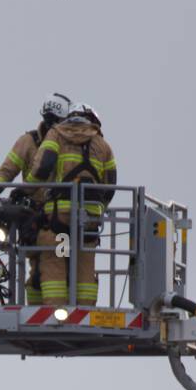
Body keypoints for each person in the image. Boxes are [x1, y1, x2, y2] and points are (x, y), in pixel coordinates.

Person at [27, 103, 116, 307]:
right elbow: (110, 186)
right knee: (84, 267)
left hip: (59, 220)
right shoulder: (103, 145)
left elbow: (42, 168)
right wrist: (98, 209)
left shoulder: (55, 135)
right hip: (89, 222)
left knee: (56, 260)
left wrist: (24, 190)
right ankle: (83, 311)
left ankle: (55, 315)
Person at [0, 94, 70, 304]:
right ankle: (38, 308)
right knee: (37, 268)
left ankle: (53, 309)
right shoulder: (28, 142)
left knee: (58, 264)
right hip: (34, 216)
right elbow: (7, 169)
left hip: (59, 216)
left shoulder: (68, 145)